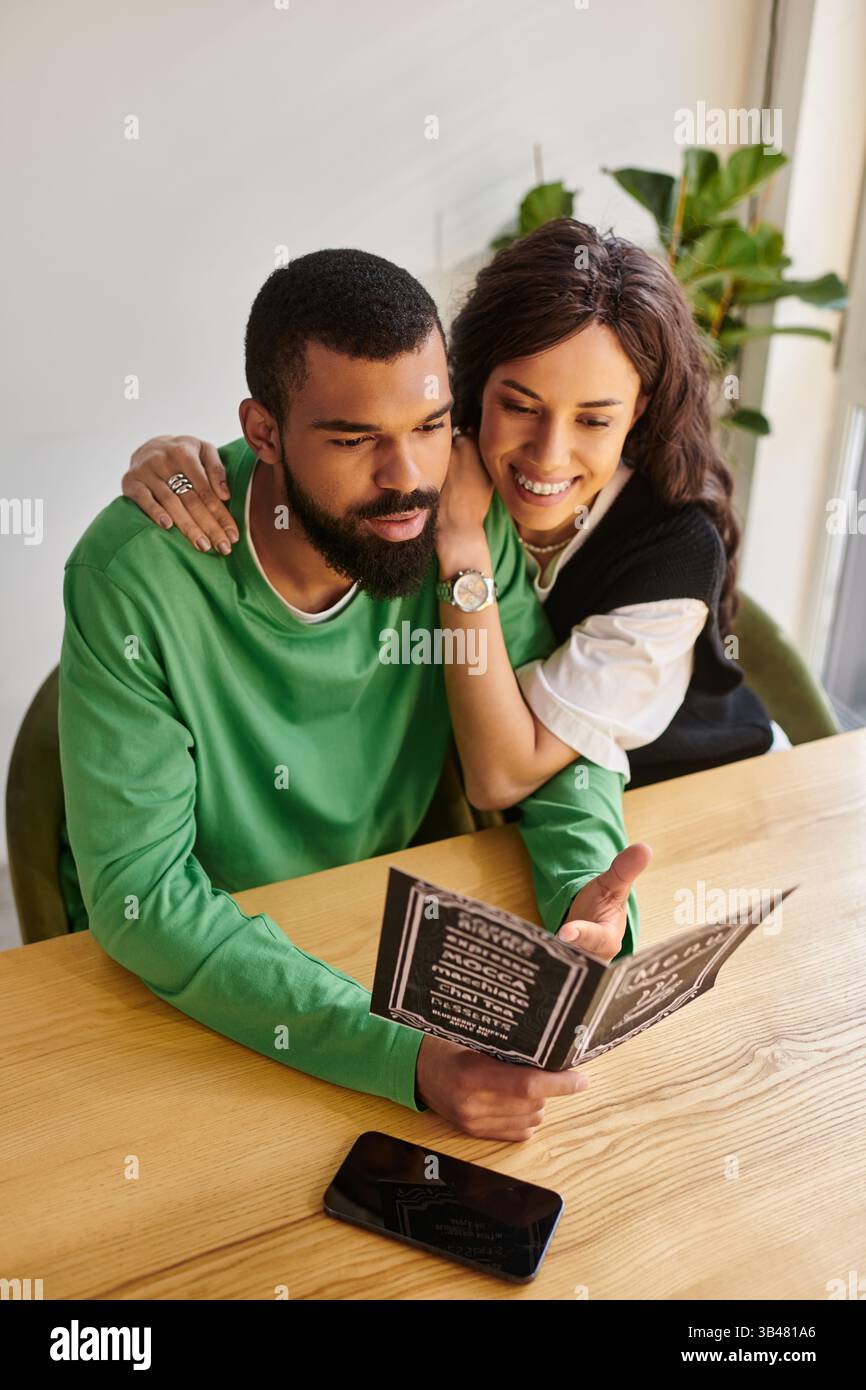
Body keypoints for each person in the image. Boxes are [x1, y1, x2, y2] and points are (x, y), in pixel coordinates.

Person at [59, 247, 650, 1145]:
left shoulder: (455, 506)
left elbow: (545, 733)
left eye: (429, 425)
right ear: (263, 433)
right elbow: (143, 892)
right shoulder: (135, 575)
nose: (405, 476)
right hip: (197, 1003)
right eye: (353, 440)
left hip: (381, 936)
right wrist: (402, 1059)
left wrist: (584, 907)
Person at [122, 221, 776, 802]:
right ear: (471, 386)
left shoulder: (673, 552)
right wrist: (173, 456)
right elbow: (313, 439)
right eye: (520, 406)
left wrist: (464, 551)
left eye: (594, 420)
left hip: (702, 795)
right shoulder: (424, 465)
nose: (548, 458)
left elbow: (501, 775)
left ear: (636, 412)